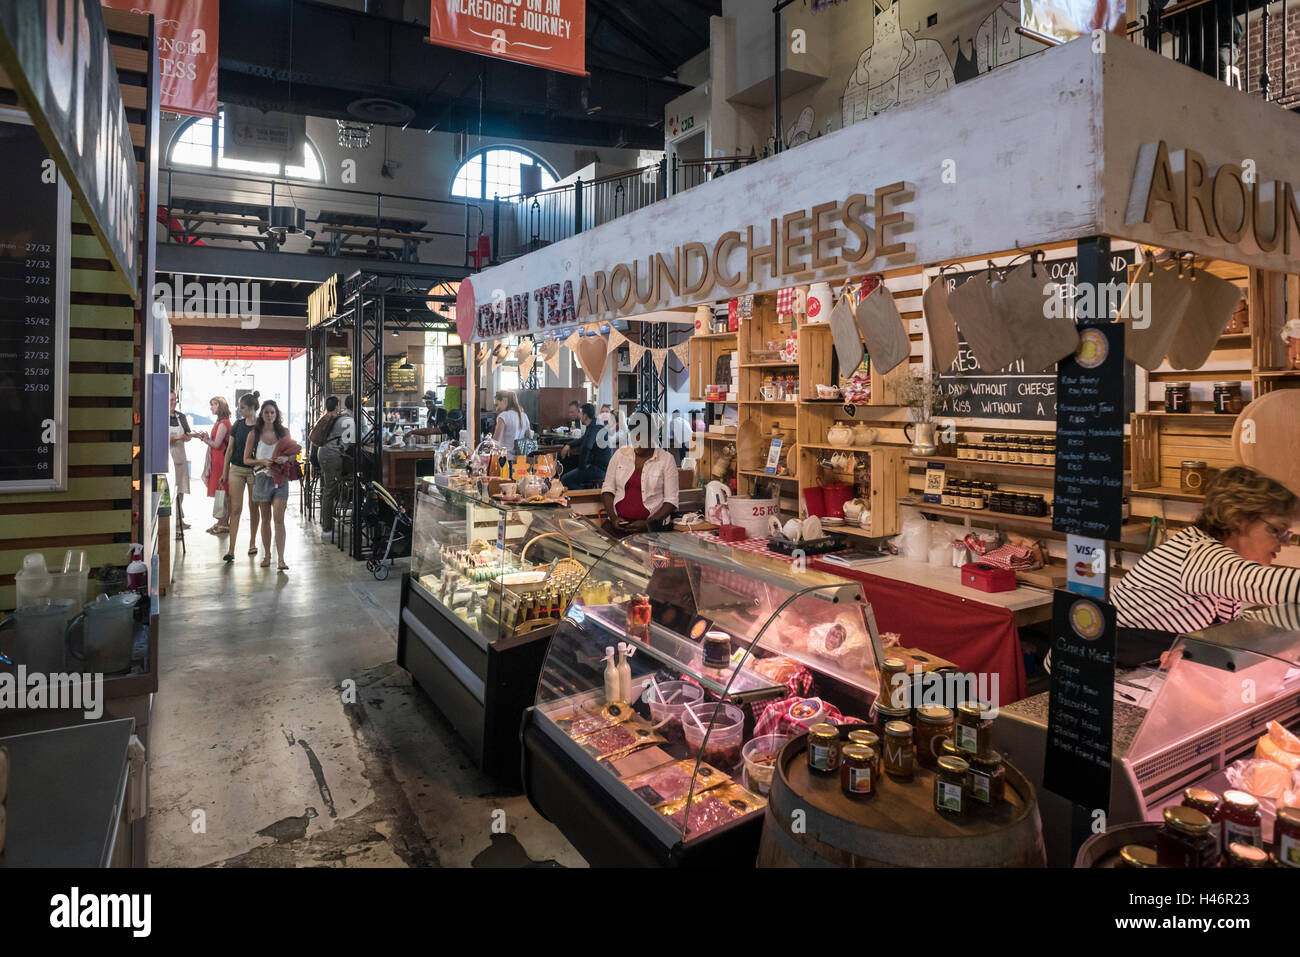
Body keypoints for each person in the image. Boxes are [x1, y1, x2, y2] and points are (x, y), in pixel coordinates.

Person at [1109, 465, 1300, 665]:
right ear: (1239, 520)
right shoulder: (1198, 554)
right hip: (1107, 665)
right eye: (1277, 530)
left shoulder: (1221, 560)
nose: (1285, 543)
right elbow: (1281, 586)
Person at [601, 411, 679, 536]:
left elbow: (671, 501)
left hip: (652, 530)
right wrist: (614, 518)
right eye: (633, 436)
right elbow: (607, 489)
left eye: (641, 437)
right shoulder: (620, 455)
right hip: (618, 526)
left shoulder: (666, 460)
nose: (636, 441)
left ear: (652, 436)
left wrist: (648, 523)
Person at [244, 399, 300, 571]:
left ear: (277, 415)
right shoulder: (254, 434)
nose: (270, 415)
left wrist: (285, 459)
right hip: (261, 478)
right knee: (265, 519)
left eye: (273, 412)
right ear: (262, 414)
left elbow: (293, 454)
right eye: (267, 412)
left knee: (279, 518)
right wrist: (262, 461)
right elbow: (246, 459)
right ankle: (267, 555)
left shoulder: (284, 432)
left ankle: (281, 559)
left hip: (280, 478)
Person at [220, 392, 263, 563]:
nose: (239, 409)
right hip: (236, 469)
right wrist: (224, 472)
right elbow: (229, 450)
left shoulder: (261, 426)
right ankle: (231, 549)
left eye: (242, 407)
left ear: (252, 408)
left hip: (254, 470)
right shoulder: (237, 425)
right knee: (235, 508)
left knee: (254, 508)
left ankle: (252, 543)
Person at [313, 396, 354, 543]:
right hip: (332, 456)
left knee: (328, 490)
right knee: (330, 492)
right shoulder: (347, 420)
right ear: (337, 405)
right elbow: (353, 441)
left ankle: (328, 525)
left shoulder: (331, 417)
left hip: (323, 454)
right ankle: (327, 530)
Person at [198, 396, 232, 535]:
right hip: (218, 458)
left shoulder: (223, 423)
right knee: (221, 491)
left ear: (220, 406)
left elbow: (217, 444)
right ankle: (221, 521)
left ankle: (224, 522)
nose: (211, 407)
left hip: (220, 459)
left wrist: (205, 440)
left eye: (213, 405)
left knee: (222, 490)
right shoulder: (220, 422)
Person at [560, 403, 611, 490]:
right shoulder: (592, 426)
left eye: (580, 412)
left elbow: (587, 446)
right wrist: (569, 445)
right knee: (569, 473)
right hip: (597, 466)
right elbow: (583, 439)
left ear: (585, 415)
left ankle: (585, 495)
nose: (578, 415)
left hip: (599, 469)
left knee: (565, 479)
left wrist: (582, 467)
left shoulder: (595, 427)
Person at [168, 391, 195, 535]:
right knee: (170, 490)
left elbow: (188, 434)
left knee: (181, 488)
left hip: (180, 456)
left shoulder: (181, 417)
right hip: (167, 458)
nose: (173, 402)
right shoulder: (159, 416)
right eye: (170, 400)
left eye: (174, 400)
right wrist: (177, 437)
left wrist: (187, 437)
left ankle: (179, 520)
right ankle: (169, 519)